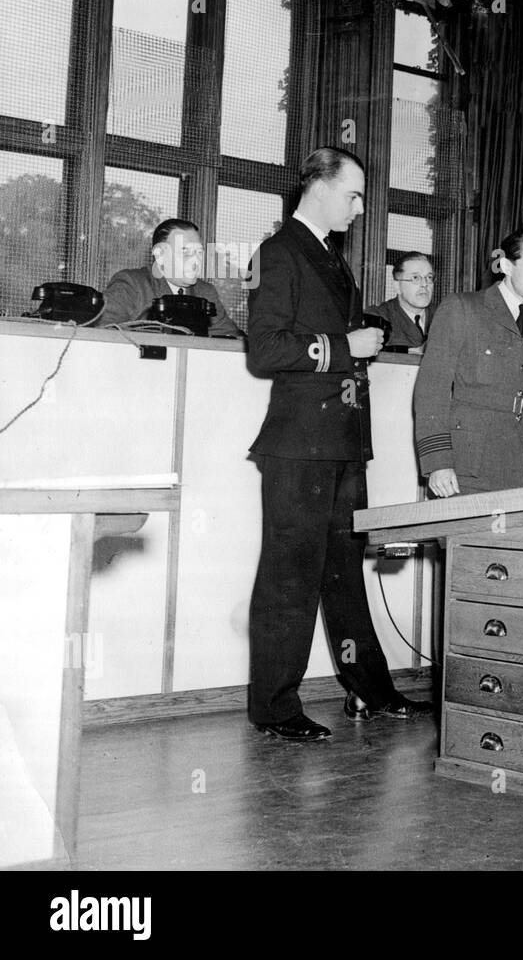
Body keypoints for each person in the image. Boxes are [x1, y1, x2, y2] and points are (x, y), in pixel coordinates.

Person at [245, 146, 432, 741]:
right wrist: (343, 345)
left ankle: (369, 689)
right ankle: (274, 708)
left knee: (345, 575)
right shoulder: (280, 253)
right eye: (352, 195)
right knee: (289, 579)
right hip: (299, 446)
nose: (358, 208)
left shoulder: (333, 259)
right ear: (320, 188)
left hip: (342, 442)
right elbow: (266, 349)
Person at [413, 225, 523, 496]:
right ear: (507, 266)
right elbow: (431, 392)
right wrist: (438, 462)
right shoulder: (462, 309)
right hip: (469, 465)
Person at [96, 218, 242, 337]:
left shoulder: (207, 292)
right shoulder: (132, 284)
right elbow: (104, 330)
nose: (196, 261)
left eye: (199, 252)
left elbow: (230, 339)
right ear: (160, 255)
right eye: (185, 251)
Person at [365, 251, 433, 352]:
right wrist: (412, 351)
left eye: (429, 277)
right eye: (415, 278)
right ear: (397, 286)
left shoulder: (445, 316)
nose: (424, 284)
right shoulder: (377, 316)